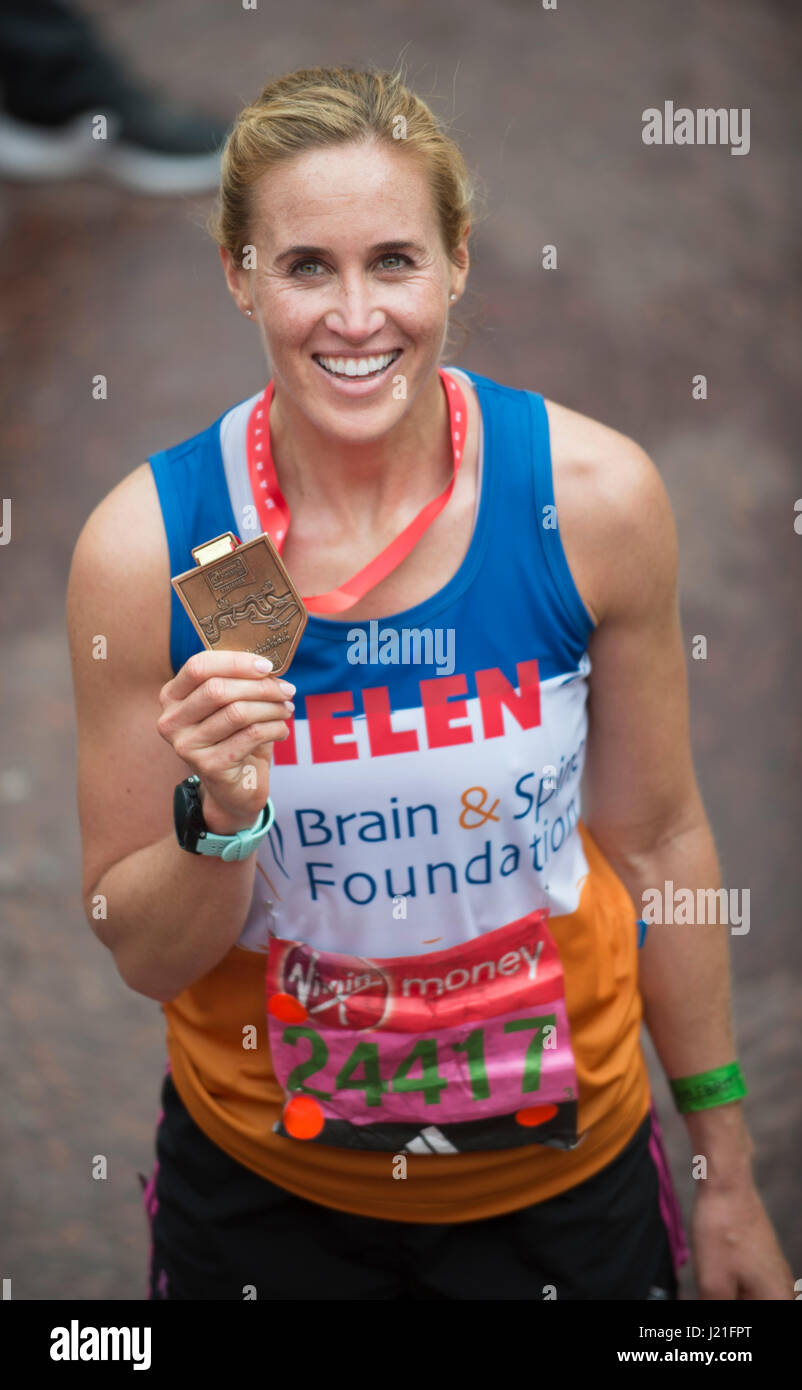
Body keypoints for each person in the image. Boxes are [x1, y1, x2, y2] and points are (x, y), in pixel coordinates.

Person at [66, 64, 793, 1301]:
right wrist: (224, 816)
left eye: (394, 260)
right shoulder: (162, 548)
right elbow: (144, 955)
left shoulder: (592, 500)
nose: (356, 317)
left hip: (566, 1200)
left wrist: (725, 1164)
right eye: (305, 268)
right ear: (239, 275)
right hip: (267, 1199)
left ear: (458, 261)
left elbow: (662, 840)